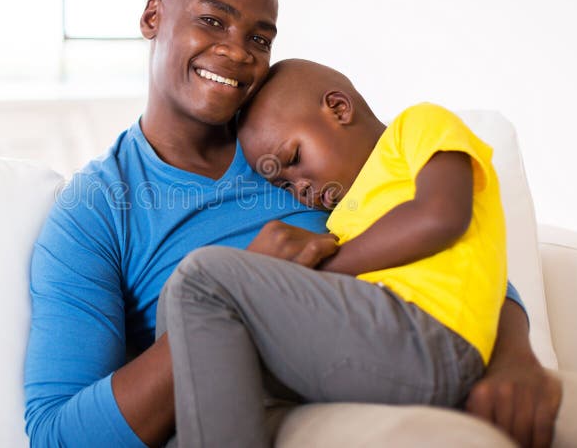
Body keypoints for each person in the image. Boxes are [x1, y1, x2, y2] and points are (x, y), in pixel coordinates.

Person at [24, 0, 561, 448]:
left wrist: (515, 359)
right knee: (196, 285)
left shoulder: (309, 151)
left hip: (422, 365)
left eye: (260, 39)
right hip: (272, 415)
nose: (237, 51)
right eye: (212, 20)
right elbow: (55, 432)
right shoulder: (96, 210)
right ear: (152, 18)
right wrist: (236, 294)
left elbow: (447, 247)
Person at [156, 58, 507, 447]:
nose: (300, 188)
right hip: (373, 345)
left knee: (202, 276)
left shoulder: (418, 125)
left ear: (338, 109)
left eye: (294, 160)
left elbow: (441, 215)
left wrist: (319, 270)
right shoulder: (343, 217)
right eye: (285, 185)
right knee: (175, 301)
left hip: (430, 337)